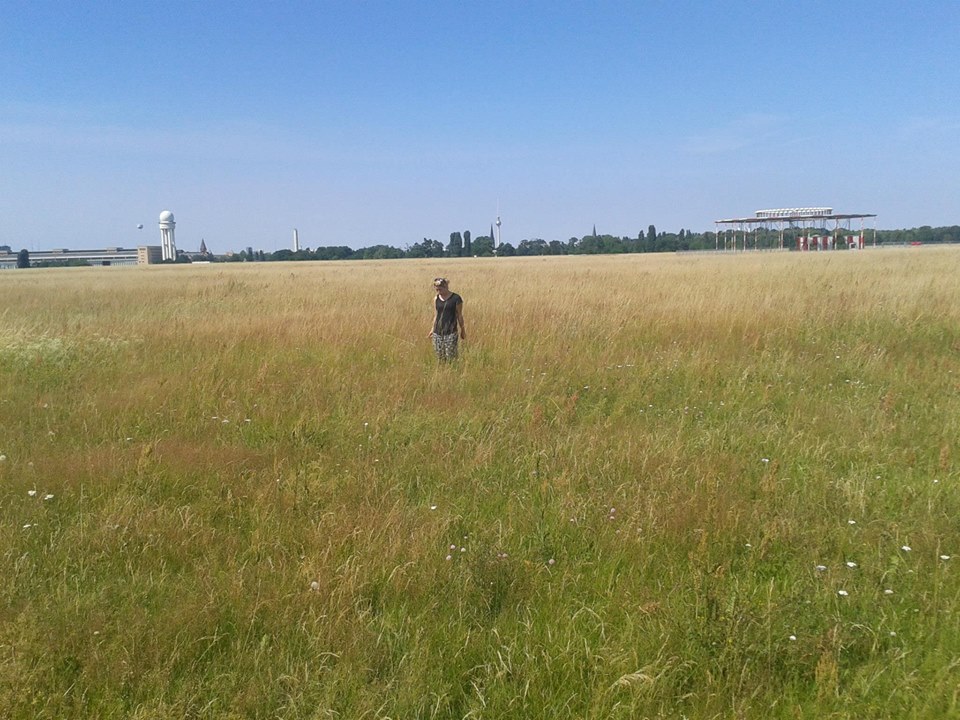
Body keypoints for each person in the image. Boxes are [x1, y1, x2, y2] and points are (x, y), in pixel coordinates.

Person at [428, 277, 465, 361]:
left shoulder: (456, 298)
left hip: (450, 332)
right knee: (439, 356)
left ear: (446, 287)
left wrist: (462, 330)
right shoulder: (436, 299)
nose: (438, 292)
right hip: (437, 332)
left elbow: (459, 315)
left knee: (451, 356)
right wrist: (432, 329)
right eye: (436, 290)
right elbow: (436, 315)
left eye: (440, 289)